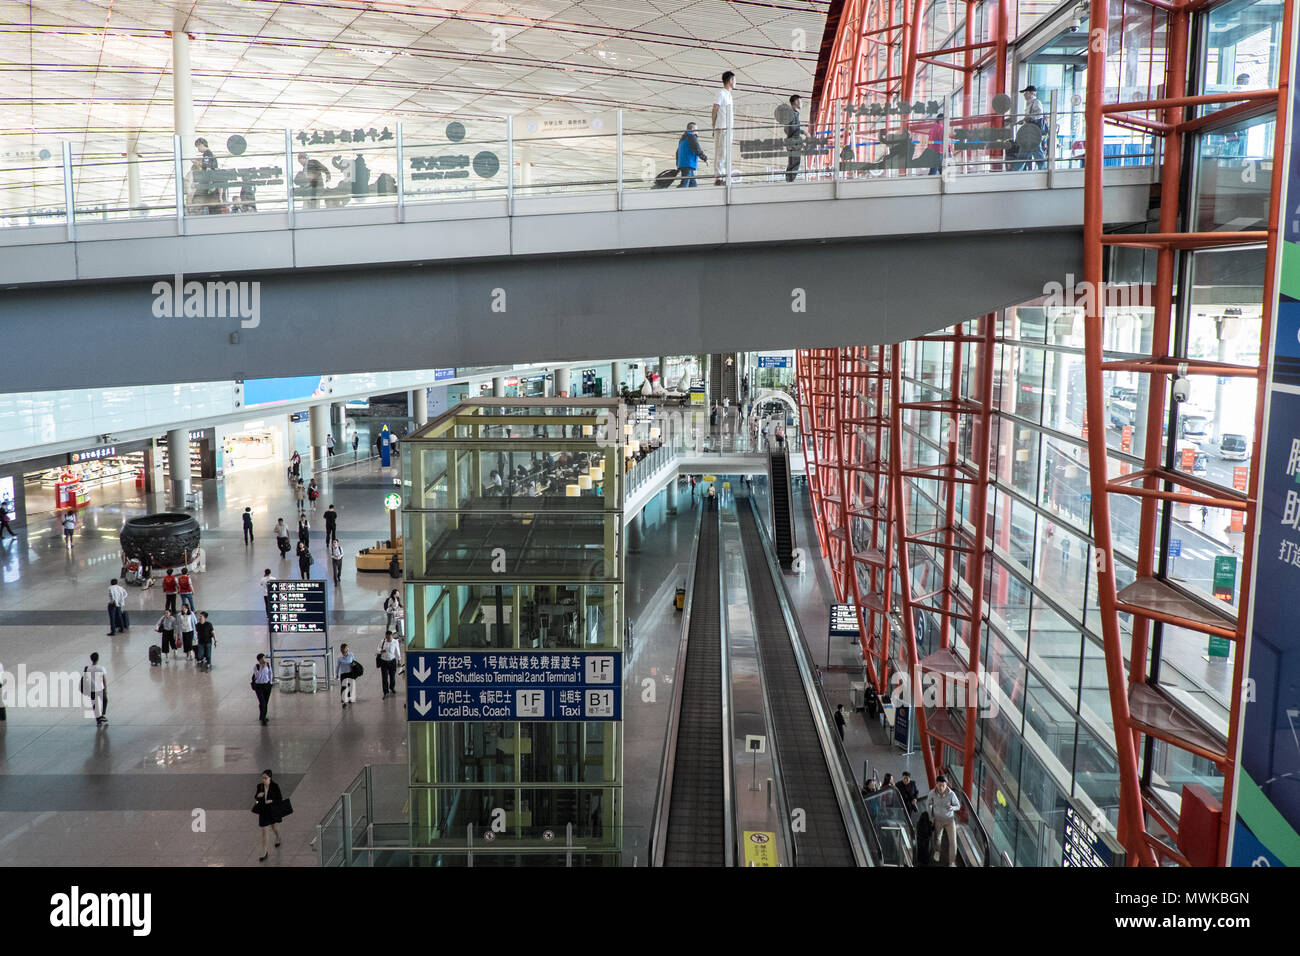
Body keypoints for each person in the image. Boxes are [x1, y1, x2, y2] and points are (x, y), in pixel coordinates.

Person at [927, 775, 962, 866]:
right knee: (937, 838)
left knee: (953, 841)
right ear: (936, 784)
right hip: (938, 819)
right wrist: (931, 816)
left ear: (946, 785)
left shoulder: (951, 794)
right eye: (939, 785)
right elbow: (928, 804)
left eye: (943, 785)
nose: (941, 787)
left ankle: (952, 862)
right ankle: (937, 851)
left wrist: (952, 808)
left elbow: (958, 806)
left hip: (949, 820)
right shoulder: (932, 793)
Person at [253, 769, 285, 861]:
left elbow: (280, 798)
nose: (263, 780)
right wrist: (258, 796)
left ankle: (278, 837)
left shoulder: (275, 786)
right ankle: (264, 851)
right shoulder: (260, 786)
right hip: (263, 811)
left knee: (274, 827)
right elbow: (256, 796)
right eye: (262, 778)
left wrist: (272, 801)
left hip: (272, 810)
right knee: (264, 832)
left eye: (265, 778)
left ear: (270, 778)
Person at [711, 71, 736, 185]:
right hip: (721, 127)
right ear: (730, 80)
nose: (735, 82)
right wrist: (714, 125)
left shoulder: (729, 95)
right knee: (721, 152)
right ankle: (719, 177)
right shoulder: (721, 93)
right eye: (734, 80)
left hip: (728, 127)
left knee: (726, 152)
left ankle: (724, 175)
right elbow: (715, 108)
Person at [1016, 85, 1046, 170]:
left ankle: (1043, 170)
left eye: (1026, 93)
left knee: (1036, 151)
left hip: (1034, 132)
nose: (1024, 95)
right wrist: (1023, 120)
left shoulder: (1036, 102)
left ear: (1031, 93)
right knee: (1024, 151)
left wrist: (1028, 118)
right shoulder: (1029, 103)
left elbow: (1038, 114)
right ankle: (1016, 170)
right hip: (1029, 132)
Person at [191, 137, 223, 214]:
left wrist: (197, 162)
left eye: (198, 147)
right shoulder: (210, 153)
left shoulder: (207, 153)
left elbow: (206, 165)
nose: (198, 149)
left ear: (201, 145)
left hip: (209, 180)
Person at [675, 121, 708, 187]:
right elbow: (697, 149)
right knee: (685, 184)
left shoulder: (682, 139)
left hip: (683, 164)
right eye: (697, 130)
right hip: (688, 164)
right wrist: (705, 158)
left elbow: (677, 152)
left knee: (693, 185)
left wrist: (678, 164)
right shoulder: (691, 137)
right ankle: (677, 195)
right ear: (693, 129)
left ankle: (691, 196)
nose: (697, 132)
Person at [778, 93, 802, 182]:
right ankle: (790, 182)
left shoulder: (792, 113)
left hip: (791, 141)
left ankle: (789, 182)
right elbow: (793, 128)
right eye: (800, 101)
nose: (802, 103)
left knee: (792, 163)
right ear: (796, 102)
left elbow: (786, 129)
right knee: (795, 163)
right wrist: (804, 132)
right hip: (793, 142)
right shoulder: (793, 114)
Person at [83, 652, 108, 725]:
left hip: (92, 689)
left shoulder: (88, 669)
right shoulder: (101, 668)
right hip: (100, 689)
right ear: (98, 658)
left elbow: (86, 679)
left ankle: (98, 719)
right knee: (105, 700)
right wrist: (106, 688)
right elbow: (104, 679)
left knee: (95, 704)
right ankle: (102, 714)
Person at [377, 630, 402, 698]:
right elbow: (378, 649)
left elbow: (397, 651)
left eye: (389, 638)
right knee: (384, 677)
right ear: (385, 636)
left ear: (392, 636)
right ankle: (385, 691)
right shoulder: (382, 641)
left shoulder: (395, 642)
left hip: (392, 661)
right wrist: (381, 651)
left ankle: (392, 687)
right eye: (387, 638)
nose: (388, 639)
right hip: (384, 661)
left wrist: (399, 660)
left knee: (392, 676)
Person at [252, 653, 273, 724]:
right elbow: (258, 677)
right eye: (262, 658)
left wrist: (270, 682)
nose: (264, 660)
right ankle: (263, 719)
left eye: (264, 658)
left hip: (267, 685)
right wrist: (262, 668)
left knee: (265, 702)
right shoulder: (256, 667)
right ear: (259, 660)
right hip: (259, 686)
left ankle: (262, 715)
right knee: (262, 702)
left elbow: (270, 674)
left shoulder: (268, 665)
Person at [337, 643, 357, 708]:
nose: (343, 651)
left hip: (350, 673)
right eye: (342, 650)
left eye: (345, 649)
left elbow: (354, 662)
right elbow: (338, 666)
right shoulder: (339, 657)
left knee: (349, 686)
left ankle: (349, 698)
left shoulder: (351, 655)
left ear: (347, 649)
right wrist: (337, 674)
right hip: (343, 674)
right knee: (343, 687)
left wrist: (353, 666)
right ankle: (343, 701)